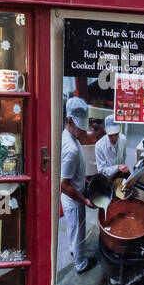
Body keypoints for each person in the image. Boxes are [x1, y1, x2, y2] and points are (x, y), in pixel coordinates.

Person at [60, 96, 96, 273]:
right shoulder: (71, 149)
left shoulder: (69, 137)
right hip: (73, 200)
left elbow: (72, 174)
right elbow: (64, 185)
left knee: (73, 231)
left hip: (75, 194)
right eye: (81, 128)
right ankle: (81, 264)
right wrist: (83, 200)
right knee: (78, 234)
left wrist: (85, 180)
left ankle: (75, 252)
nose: (84, 132)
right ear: (69, 121)